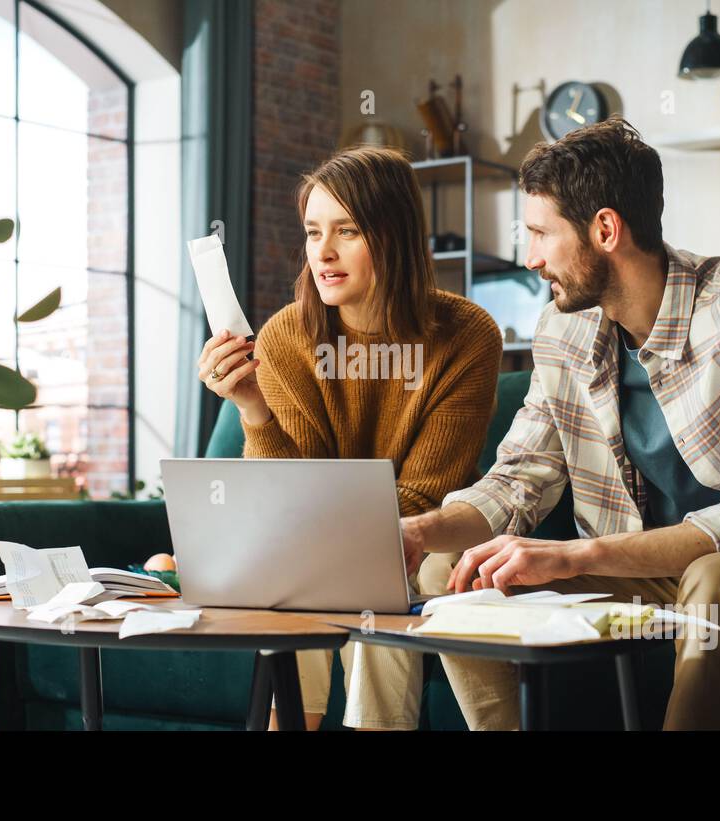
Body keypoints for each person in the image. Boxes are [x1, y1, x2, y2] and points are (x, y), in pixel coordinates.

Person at [404, 116, 720, 730]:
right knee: (450, 569)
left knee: (717, 580)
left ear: (605, 229)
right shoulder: (563, 328)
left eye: (539, 234)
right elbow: (518, 480)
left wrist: (575, 555)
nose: (529, 259)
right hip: (640, 579)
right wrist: (420, 529)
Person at [198, 145, 502, 730]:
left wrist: (336, 535)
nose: (324, 253)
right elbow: (286, 499)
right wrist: (252, 409)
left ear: (394, 236)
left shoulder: (466, 334)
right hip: (317, 544)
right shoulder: (288, 335)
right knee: (302, 577)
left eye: (348, 231)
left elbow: (429, 493)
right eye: (313, 233)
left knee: (367, 588)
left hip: (420, 537)